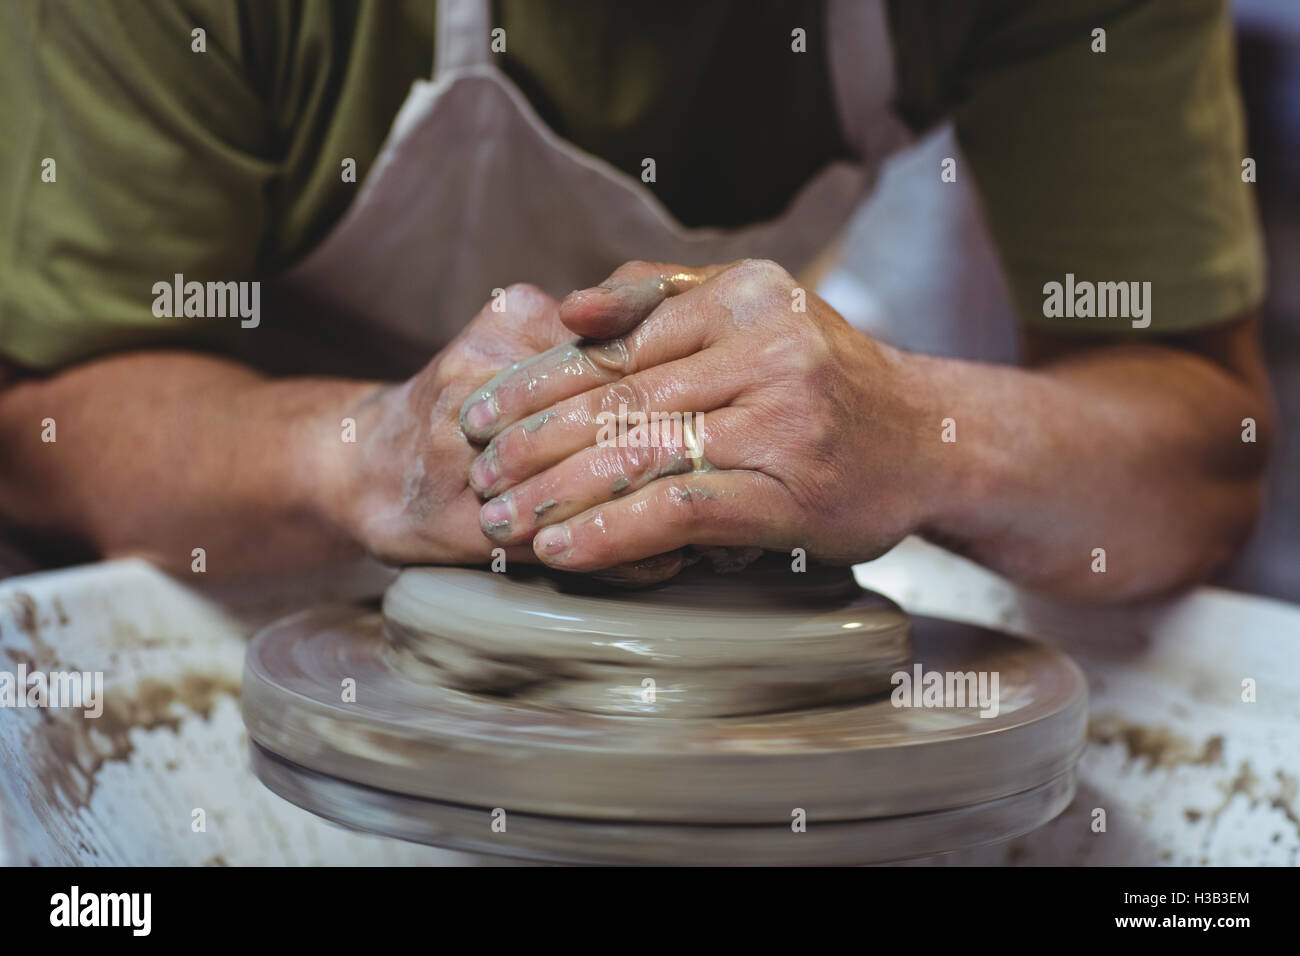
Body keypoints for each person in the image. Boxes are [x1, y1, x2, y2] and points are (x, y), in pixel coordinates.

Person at [0, 0, 1273, 599]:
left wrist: (923, 427)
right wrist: (368, 453)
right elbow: (47, 435)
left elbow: (1199, 457)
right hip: (240, 572)